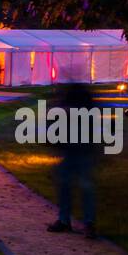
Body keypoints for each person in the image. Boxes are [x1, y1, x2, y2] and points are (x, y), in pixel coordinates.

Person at [46, 81, 99, 238]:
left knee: (81, 185)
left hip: (81, 150)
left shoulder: (80, 105)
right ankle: (73, 221)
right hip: (74, 150)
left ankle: (81, 222)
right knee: (72, 185)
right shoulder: (76, 103)